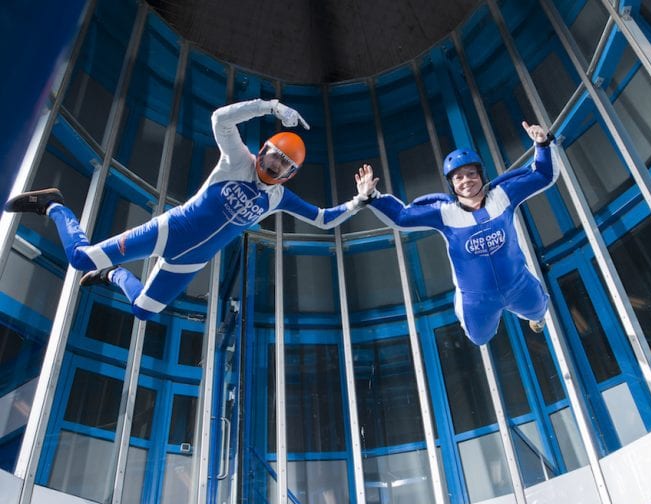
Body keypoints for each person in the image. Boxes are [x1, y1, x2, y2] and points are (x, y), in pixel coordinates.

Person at [5, 99, 368, 320]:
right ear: (262, 151)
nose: (271, 170)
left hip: (190, 262)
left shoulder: (278, 199)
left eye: (281, 169)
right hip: (169, 230)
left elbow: (323, 220)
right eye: (271, 159)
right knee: (81, 258)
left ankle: (113, 276)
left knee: (145, 310)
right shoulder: (236, 160)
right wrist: (270, 107)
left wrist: (359, 201)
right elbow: (220, 120)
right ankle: (52, 204)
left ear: (290, 175)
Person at [354, 121, 558, 346]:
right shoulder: (444, 212)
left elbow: (543, 176)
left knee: (540, 311)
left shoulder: (503, 196)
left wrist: (543, 144)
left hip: (519, 283)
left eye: (471, 173)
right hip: (476, 299)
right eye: (458, 177)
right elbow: (401, 217)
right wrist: (371, 196)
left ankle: (536, 321)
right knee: (480, 339)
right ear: (451, 184)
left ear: (481, 176)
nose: (466, 181)